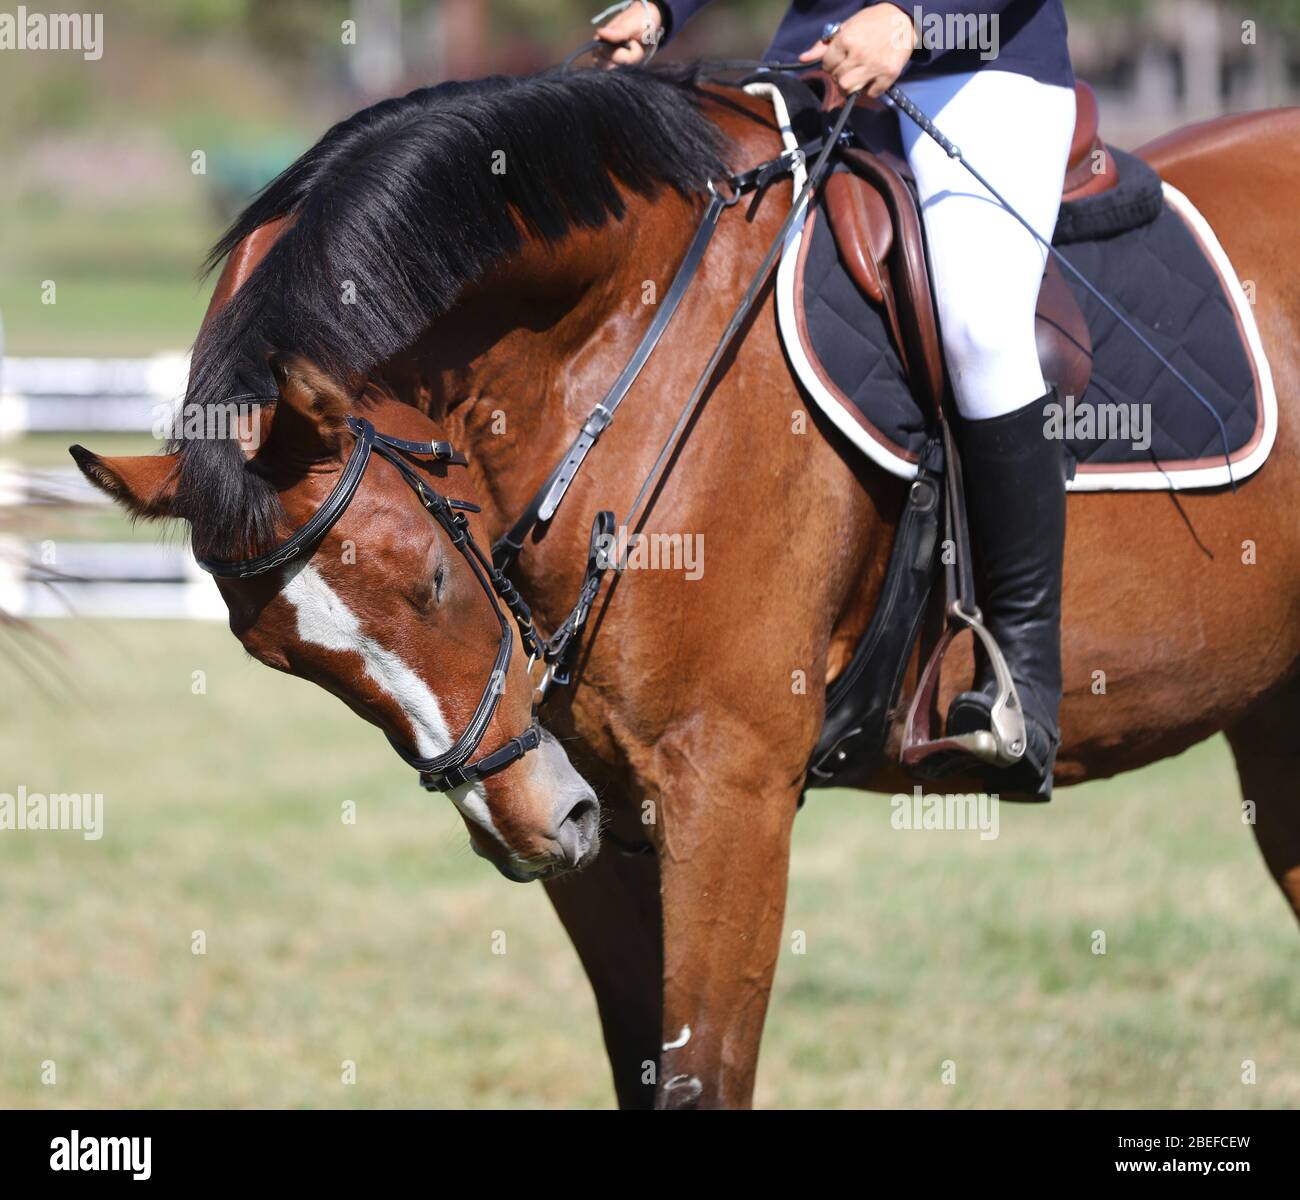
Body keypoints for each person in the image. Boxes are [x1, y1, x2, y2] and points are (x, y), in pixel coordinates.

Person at [595, 0, 1075, 795]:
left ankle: (1026, 681)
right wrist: (660, 10)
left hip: (975, 68)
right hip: (811, 70)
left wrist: (918, 20)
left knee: (981, 331)